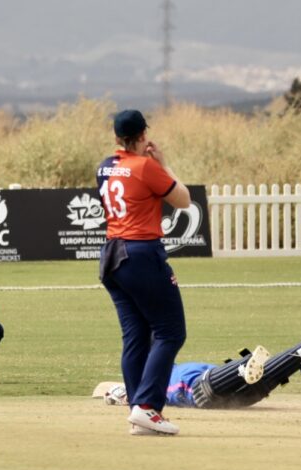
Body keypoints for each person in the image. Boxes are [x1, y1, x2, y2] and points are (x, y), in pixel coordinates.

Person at [96, 109, 192, 436]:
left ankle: (138, 410)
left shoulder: (104, 167)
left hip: (111, 254)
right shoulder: (145, 166)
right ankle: (147, 407)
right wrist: (163, 163)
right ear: (143, 135)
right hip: (140, 252)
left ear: (115, 137)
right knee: (170, 332)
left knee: (136, 335)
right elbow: (183, 200)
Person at [94, 330, 301, 436]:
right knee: (237, 377)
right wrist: (115, 392)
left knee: (260, 378)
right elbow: (127, 393)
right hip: (199, 392)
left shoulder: (167, 367)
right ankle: (243, 367)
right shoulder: (149, 384)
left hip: (236, 393)